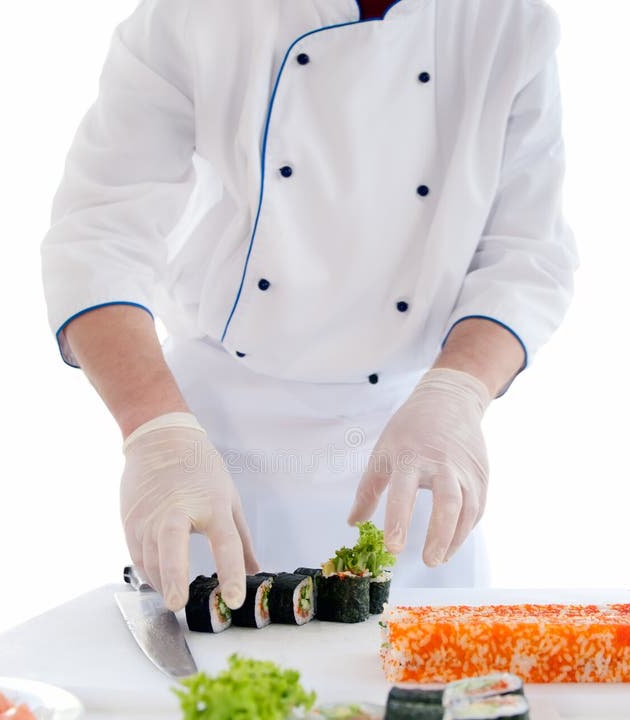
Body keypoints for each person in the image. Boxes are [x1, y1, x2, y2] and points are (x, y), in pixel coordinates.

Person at [40, 0, 578, 612]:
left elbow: (526, 254)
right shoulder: (194, 13)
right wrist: (156, 432)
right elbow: (99, 234)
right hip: (213, 443)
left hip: (412, 441)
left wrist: (458, 395)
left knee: (430, 688)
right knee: (201, 682)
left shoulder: (508, 20)